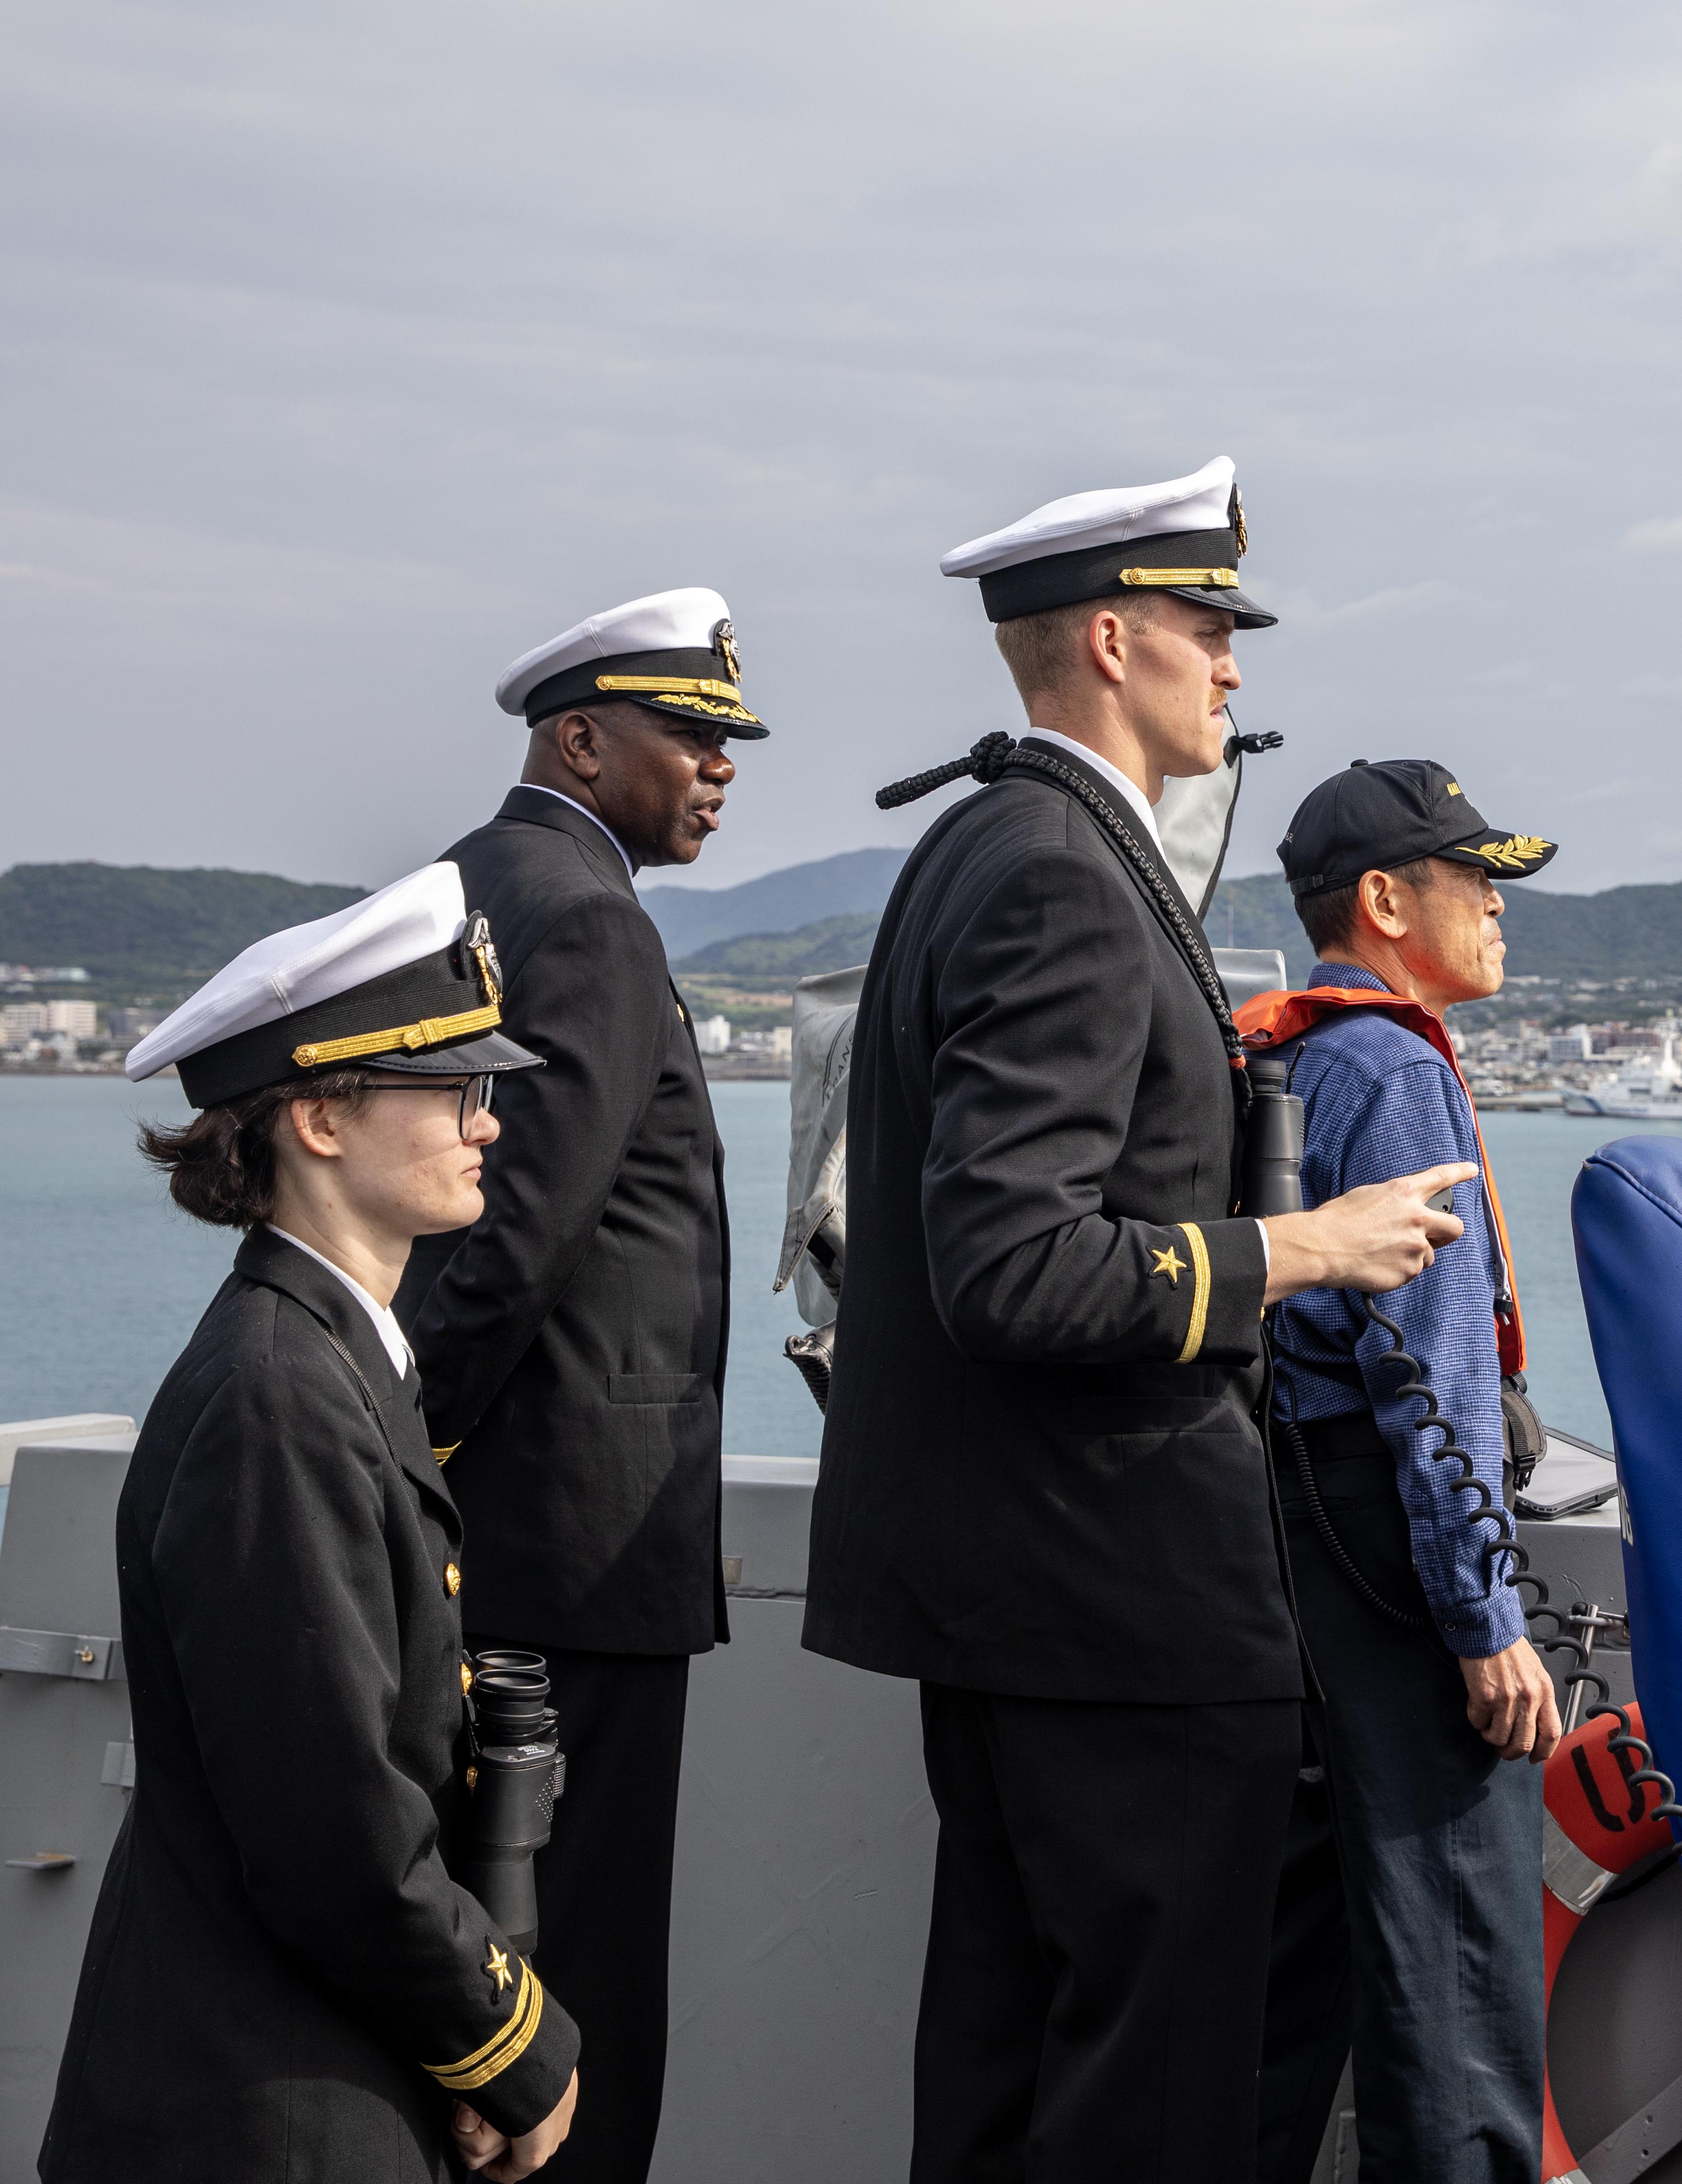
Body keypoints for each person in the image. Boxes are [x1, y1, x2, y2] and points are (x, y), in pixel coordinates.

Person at [803, 457, 1477, 2181]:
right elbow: (1011, 1263)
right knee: (1151, 2096)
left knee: (1005, 2069)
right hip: (1119, 1611)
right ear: (1112, 640)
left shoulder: (982, 842)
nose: (1235, 663)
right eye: (1207, 626)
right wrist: (1297, 1251)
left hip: (1016, 1602)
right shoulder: (1065, 877)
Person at [46, 864, 580, 2182]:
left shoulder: (338, 1358)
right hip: (255, 2107)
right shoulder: (278, 1397)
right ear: (323, 1118)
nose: (488, 1126)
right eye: (456, 1090)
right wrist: (516, 2055)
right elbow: (333, 1830)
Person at [397, 587, 760, 2182]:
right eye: (692, 733)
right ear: (581, 736)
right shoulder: (591, 914)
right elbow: (512, 1232)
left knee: (473, 1954)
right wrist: (422, 1446)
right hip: (573, 1556)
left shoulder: (465, 886)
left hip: (496, 1538)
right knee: (580, 1979)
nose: (722, 765)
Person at [1240, 760, 1565, 2184]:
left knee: (1299, 1966)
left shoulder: (1289, 1054)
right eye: (1472, 877)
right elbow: (1428, 1379)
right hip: (1391, 1548)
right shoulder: (1398, 1068)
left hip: (1292, 1544)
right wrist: (1485, 1620)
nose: (1499, 906)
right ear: (1385, 901)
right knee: (1458, 1956)